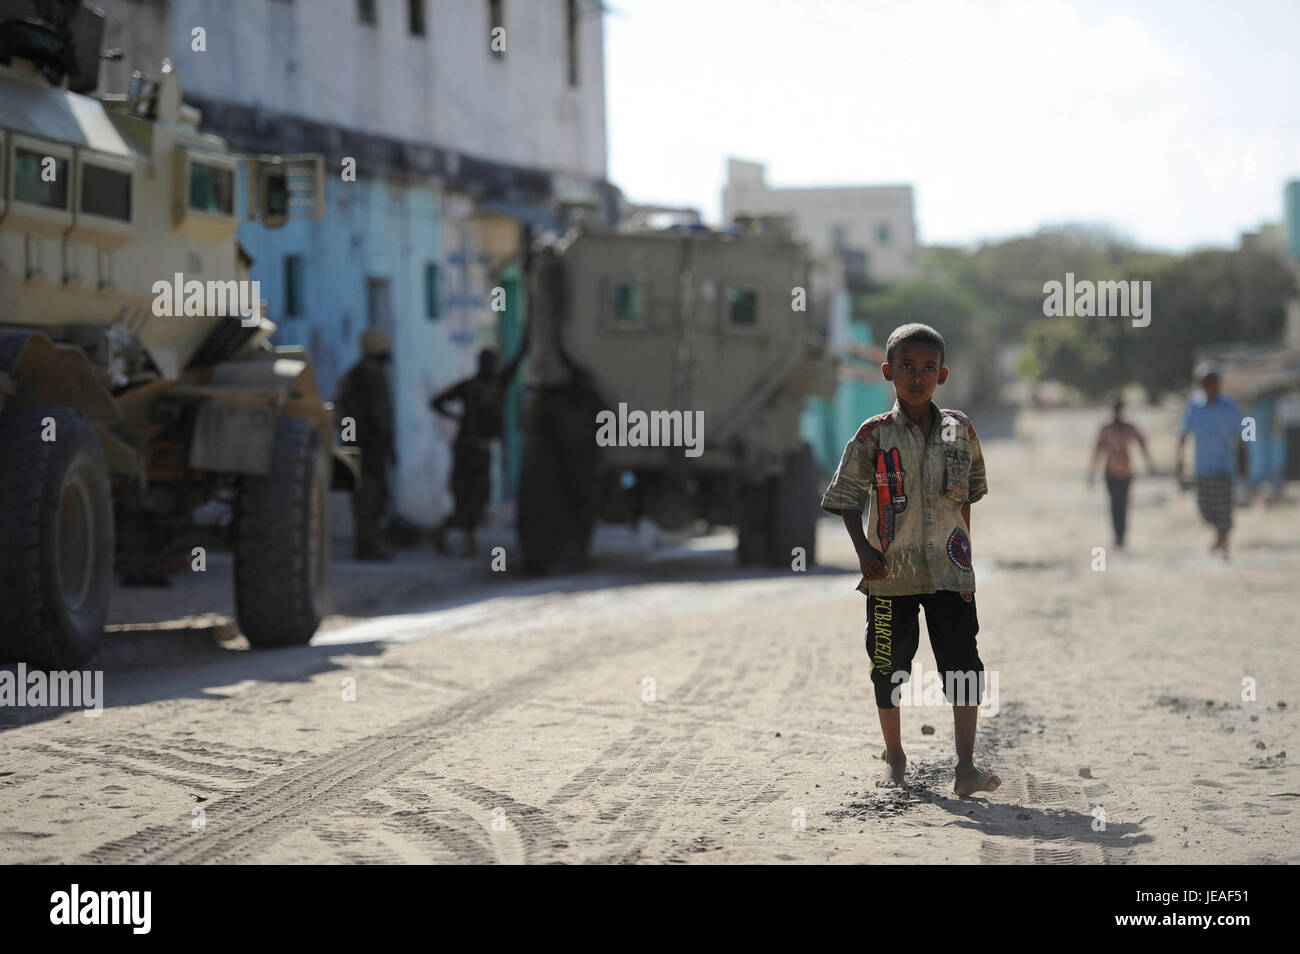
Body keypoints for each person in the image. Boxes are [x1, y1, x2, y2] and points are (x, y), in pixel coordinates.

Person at [820, 322, 1000, 797]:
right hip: (887, 576)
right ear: (887, 372)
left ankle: (965, 766)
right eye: (906, 367)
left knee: (963, 665)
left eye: (927, 367)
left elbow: (967, 501)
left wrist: (966, 566)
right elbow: (846, 498)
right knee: (887, 665)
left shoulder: (960, 431)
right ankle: (896, 756)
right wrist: (863, 553)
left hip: (949, 574)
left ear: (943, 374)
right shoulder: (874, 435)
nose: (916, 376)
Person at [429, 323, 530, 556]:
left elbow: (518, 360)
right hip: (469, 448)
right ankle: (444, 530)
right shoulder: (471, 387)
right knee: (469, 497)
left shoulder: (493, 384)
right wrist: (457, 418)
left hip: (479, 448)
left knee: (476, 498)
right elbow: (437, 402)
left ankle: (460, 536)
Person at [1176, 361, 1247, 559]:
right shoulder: (1195, 406)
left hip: (1225, 466)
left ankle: (1223, 541)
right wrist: (1179, 460)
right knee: (1205, 508)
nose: (1210, 387)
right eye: (1206, 383)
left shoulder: (1229, 405)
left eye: (1213, 382)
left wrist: (1243, 463)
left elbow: (1241, 436)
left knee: (1224, 508)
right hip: (1203, 467)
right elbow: (1184, 432)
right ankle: (1220, 536)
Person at [336, 328, 396, 561]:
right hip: (370, 443)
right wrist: (387, 443)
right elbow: (379, 413)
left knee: (362, 495)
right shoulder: (372, 375)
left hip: (354, 442)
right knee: (370, 496)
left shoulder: (354, 373)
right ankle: (368, 545)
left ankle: (368, 543)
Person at [1088, 399, 1154, 547]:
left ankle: (1122, 535)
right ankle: (1117, 535)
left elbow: (1142, 443)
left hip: (1126, 472)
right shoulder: (1106, 429)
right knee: (1114, 504)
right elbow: (1097, 451)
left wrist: (1150, 464)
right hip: (1110, 472)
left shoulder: (1129, 427)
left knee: (1123, 504)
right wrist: (1092, 472)